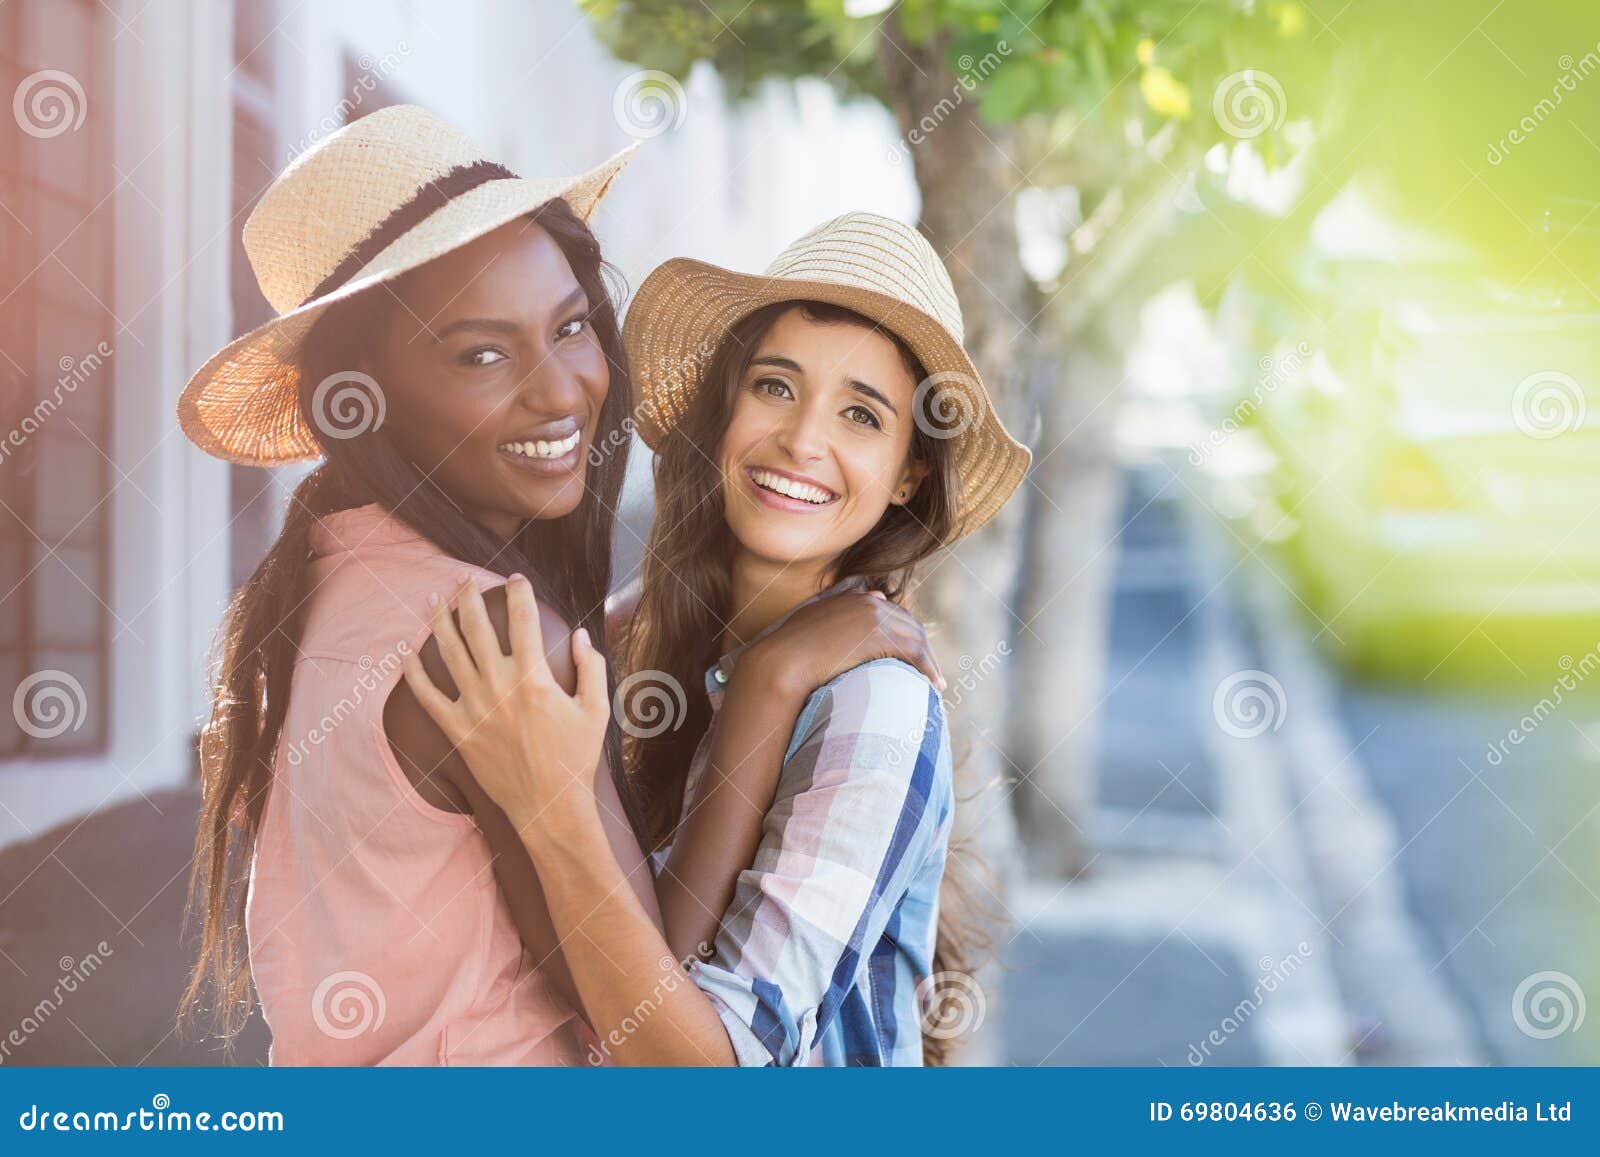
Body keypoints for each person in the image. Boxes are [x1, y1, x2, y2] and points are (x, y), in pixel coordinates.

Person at [176, 108, 936, 1065]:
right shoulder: (489, 636)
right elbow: (661, 1036)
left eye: (571, 325)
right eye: (483, 353)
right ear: (361, 392)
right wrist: (769, 683)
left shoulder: (325, 577)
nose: (561, 390)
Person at [405, 212, 1032, 1065]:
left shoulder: (874, 705)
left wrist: (771, 684)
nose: (803, 440)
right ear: (723, 407)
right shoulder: (646, 629)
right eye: (775, 386)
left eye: (861, 415)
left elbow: (710, 1072)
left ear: (909, 474)